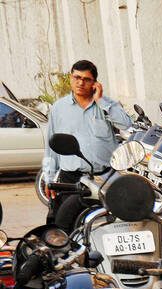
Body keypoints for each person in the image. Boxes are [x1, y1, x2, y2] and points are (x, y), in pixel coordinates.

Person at [42, 59, 131, 225]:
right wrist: (48, 177)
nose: (80, 82)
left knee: (112, 225)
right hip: (71, 181)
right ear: (70, 77)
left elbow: (126, 124)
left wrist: (101, 101)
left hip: (104, 178)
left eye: (86, 79)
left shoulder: (107, 105)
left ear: (94, 83)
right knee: (63, 228)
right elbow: (51, 146)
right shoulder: (58, 108)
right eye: (77, 77)